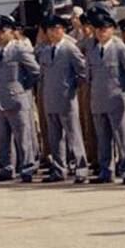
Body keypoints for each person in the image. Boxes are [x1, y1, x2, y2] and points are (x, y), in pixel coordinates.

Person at [85, 11, 125, 183]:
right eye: (98, 29)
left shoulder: (119, 48)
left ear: (112, 30)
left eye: (105, 29)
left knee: (124, 137)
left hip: (117, 99)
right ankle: (106, 170)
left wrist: (123, 89)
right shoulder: (93, 50)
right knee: (103, 139)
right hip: (98, 100)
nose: (101, 32)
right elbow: (88, 76)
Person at [37, 15, 88, 183]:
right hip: (50, 99)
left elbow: (83, 72)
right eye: (50, 30)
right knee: (55, 137)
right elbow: (42, 76)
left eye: (56, 29)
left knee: (74, 135)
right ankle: (59, 169)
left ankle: (81, 168)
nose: (53, 33)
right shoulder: (45, 51)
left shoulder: (70, 49)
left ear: (63, 30)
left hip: (67, 99)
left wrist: (71, 87)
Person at [0, 16, 40, 182]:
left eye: (2, 31)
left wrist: (22, 88)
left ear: (12, 31)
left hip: (17, 99)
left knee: (23, 136)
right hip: (1, 99)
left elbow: (35, 71)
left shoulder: (19, 49)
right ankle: (8, 167)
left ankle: (28, 167)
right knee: (3, 137)